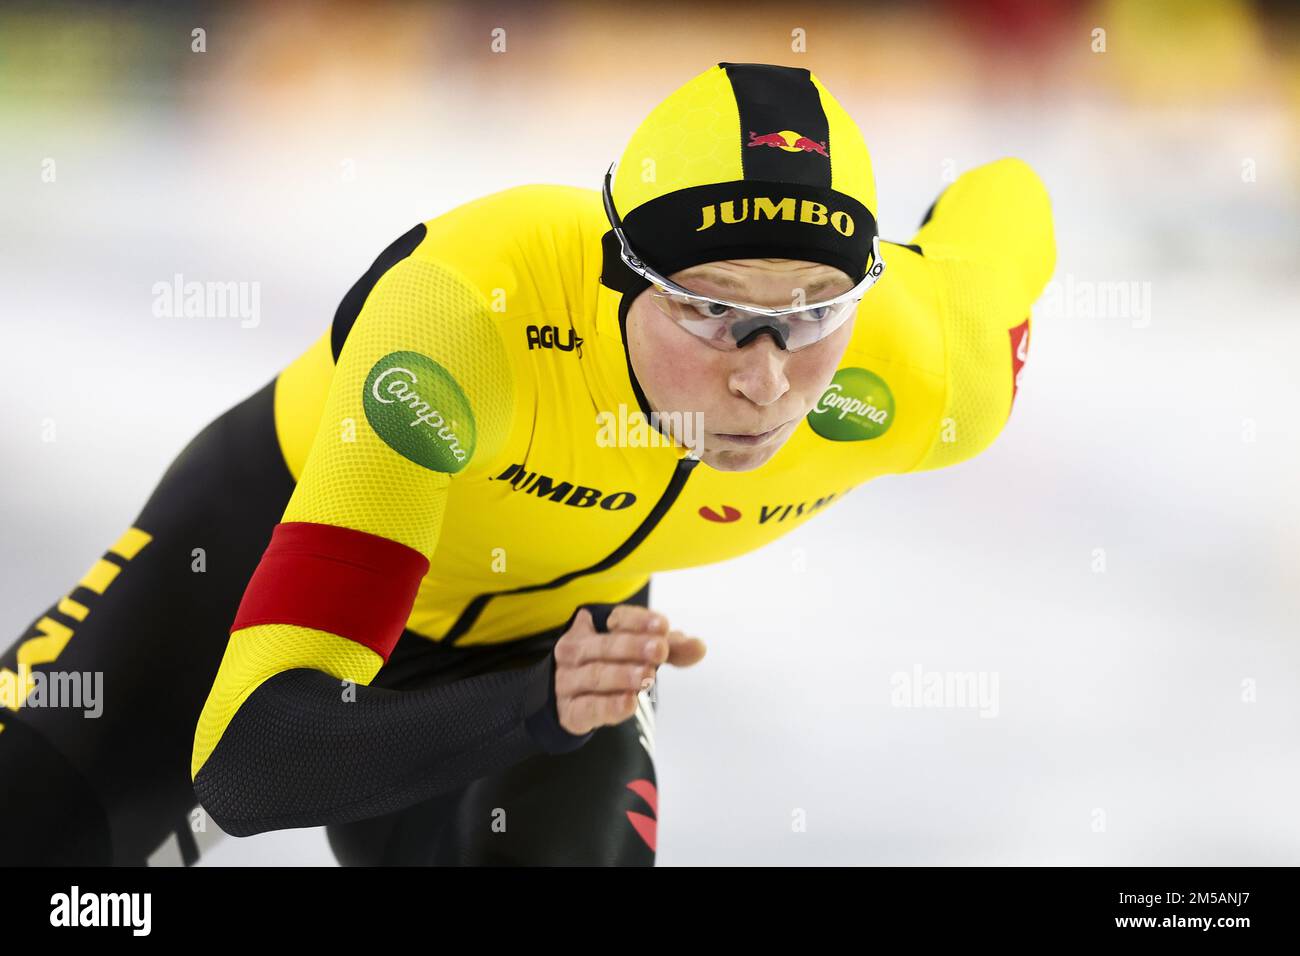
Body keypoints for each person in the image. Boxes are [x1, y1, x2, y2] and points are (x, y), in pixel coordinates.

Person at [0, 61, 1055, 866]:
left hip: (551, 652)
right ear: (617, 275)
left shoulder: (924, 369)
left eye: (814, 313)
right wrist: (530, 705)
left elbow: (1008, 203)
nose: (764, 379)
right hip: (283, 552)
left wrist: (541, 702)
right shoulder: (468, 318)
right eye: (712, 310)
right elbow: (249, 763)